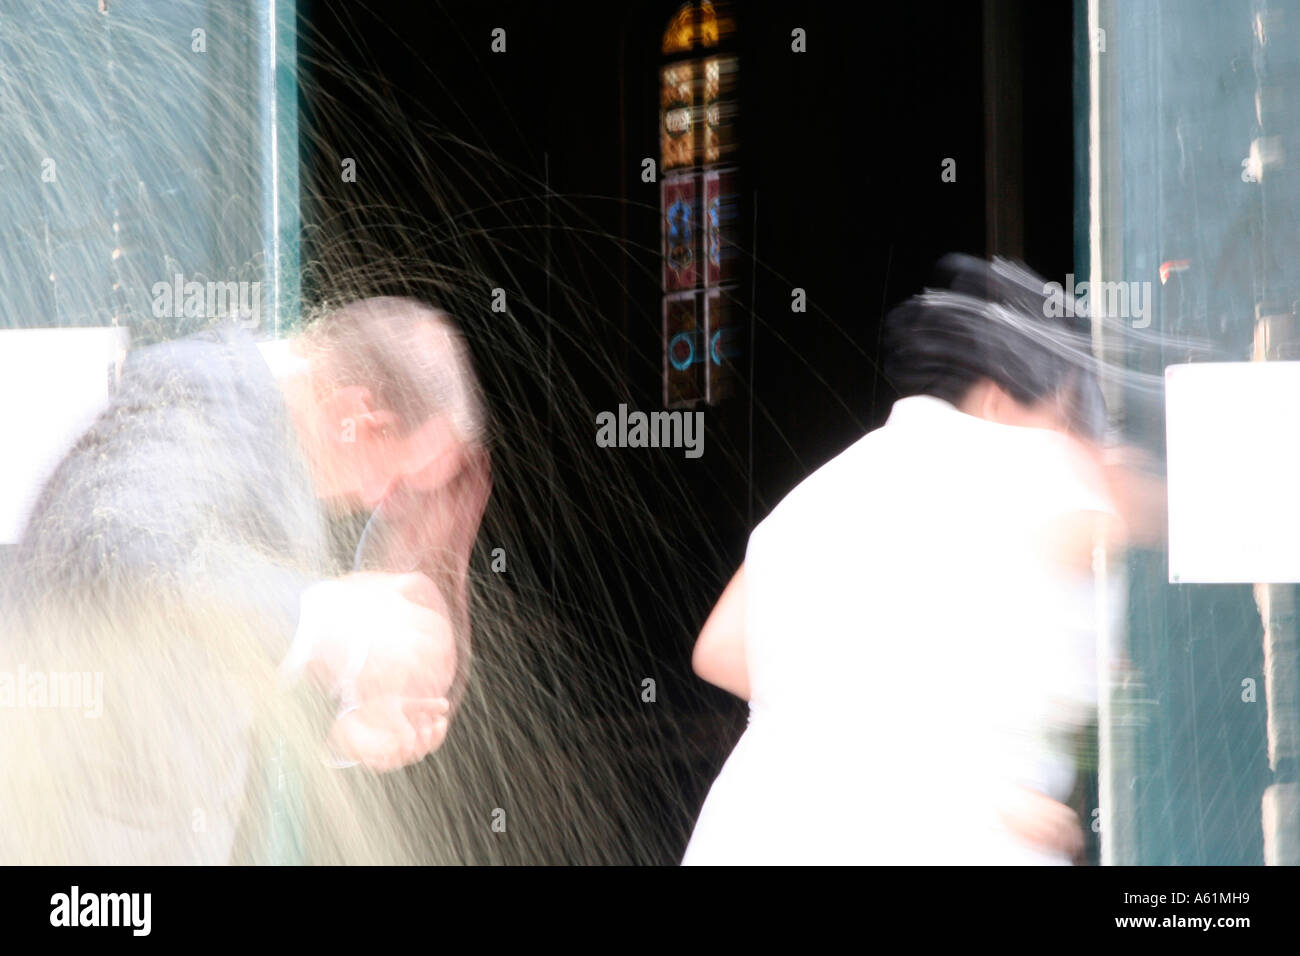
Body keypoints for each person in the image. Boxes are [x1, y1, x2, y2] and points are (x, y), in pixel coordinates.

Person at [0, 296, 489, 864]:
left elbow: (190, 640)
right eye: (398, 476)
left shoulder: (284, 469)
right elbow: (122, 553)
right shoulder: (200, 393)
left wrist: (338, 722)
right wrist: (325, 619)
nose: (382, 500)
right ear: (357, 417)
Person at [683, 256, 1124, 864]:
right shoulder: (1020, 489)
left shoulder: (829, 490)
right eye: (1067, 414)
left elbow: (723, 651)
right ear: (996, 402)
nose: (1076, 441)